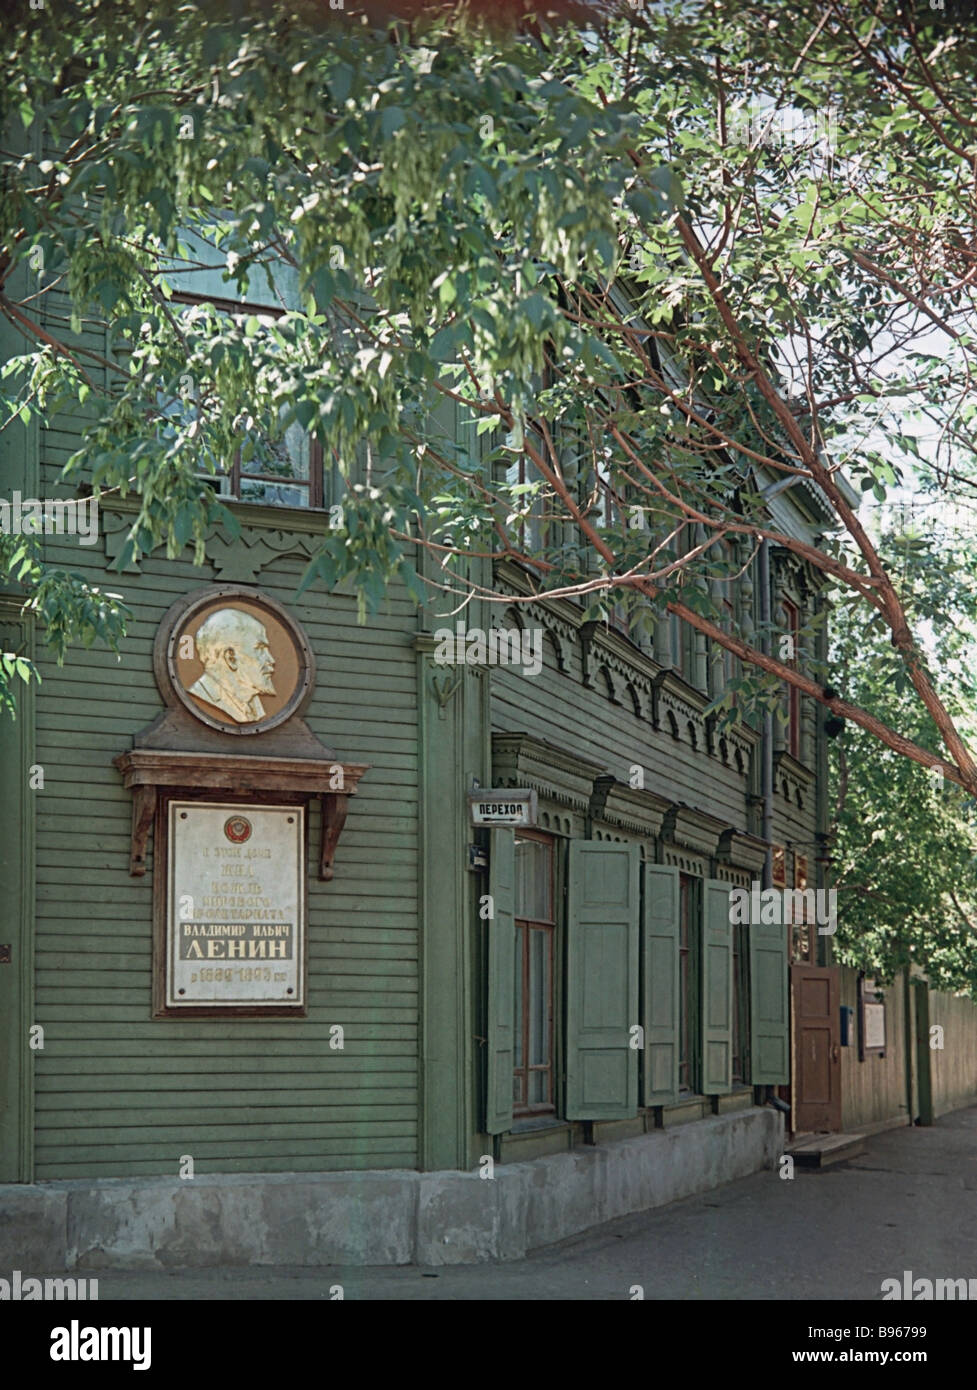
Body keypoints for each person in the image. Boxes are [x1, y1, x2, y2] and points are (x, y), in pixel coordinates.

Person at [188, 607, 276, 722]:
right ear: (231, 658)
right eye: (260, 649)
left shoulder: (253, 703)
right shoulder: (202, 695)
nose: (271, 660)